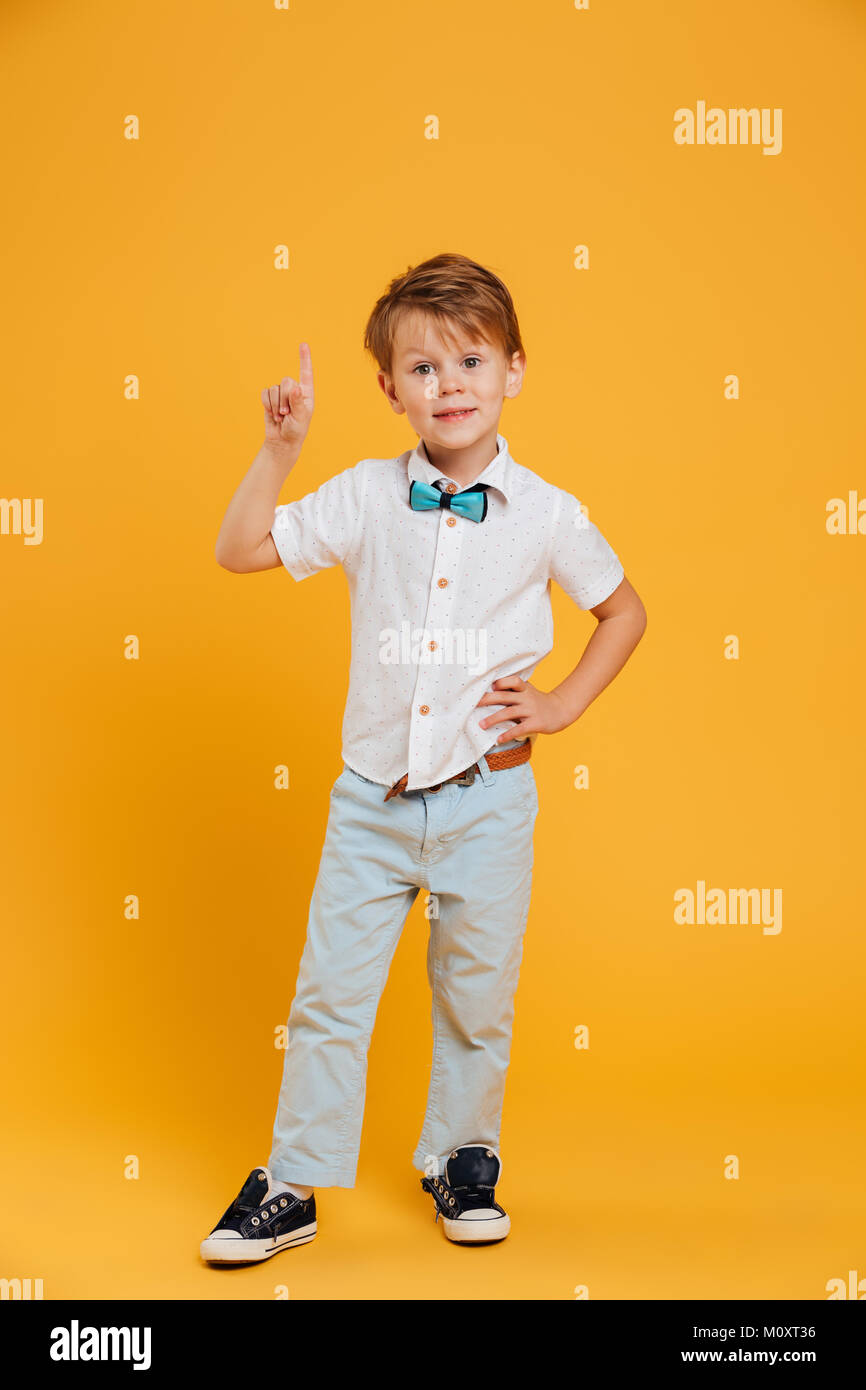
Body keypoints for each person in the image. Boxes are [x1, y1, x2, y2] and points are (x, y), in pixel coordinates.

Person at [200, 252, 647, 1262]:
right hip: (372, 803)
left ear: (513, 372)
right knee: (329, 994)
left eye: (470, 361)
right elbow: (238, 550)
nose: (448, 386)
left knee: (476, 992)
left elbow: (621, 610)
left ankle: (460, 1158)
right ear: (388, 389)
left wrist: (562, 702)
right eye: (422, 369)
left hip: (489, 802)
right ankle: (295, 1180)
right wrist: (278, 452)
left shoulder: (544, 510)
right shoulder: (361, 496)